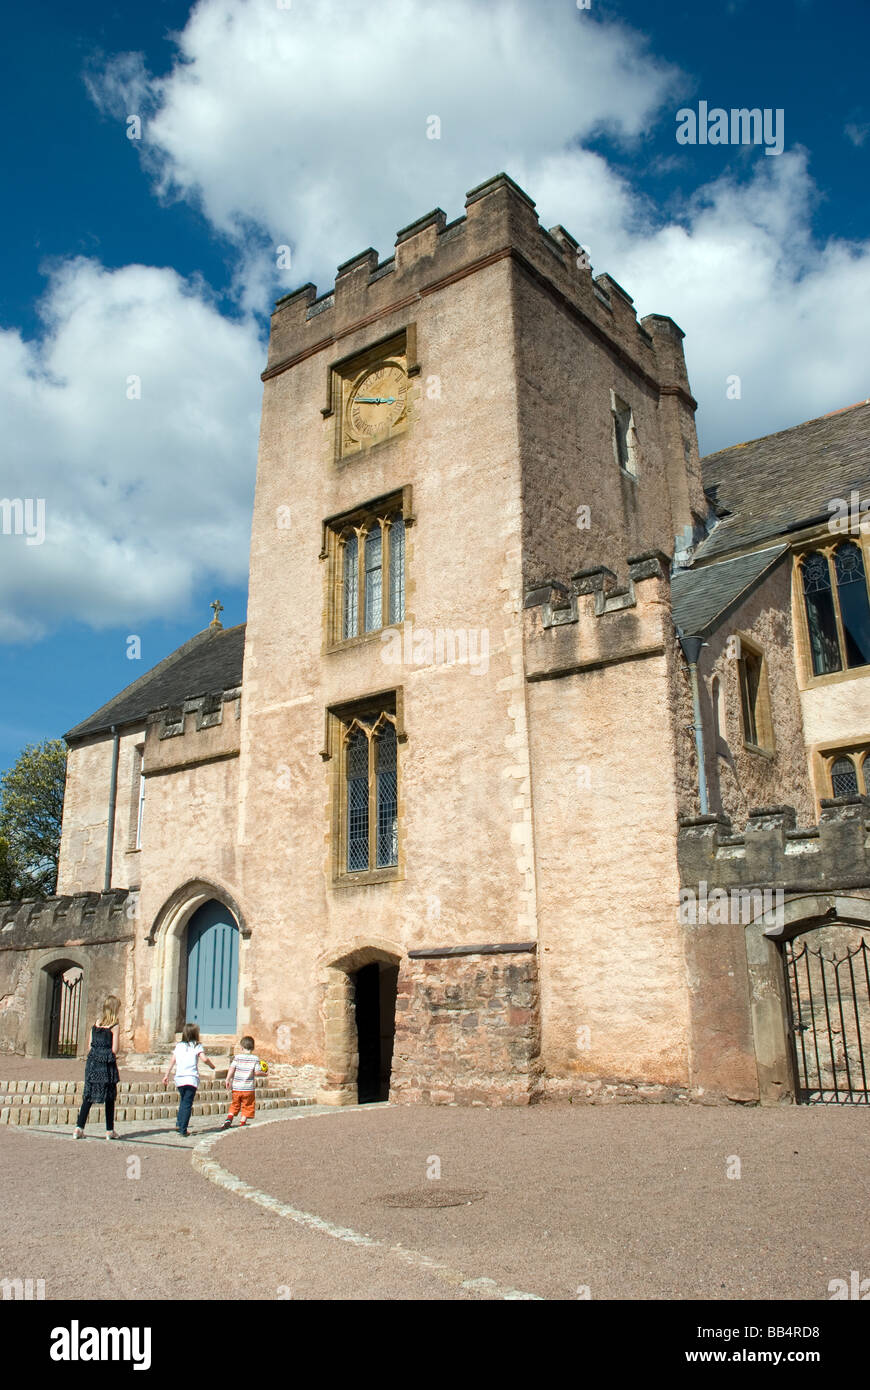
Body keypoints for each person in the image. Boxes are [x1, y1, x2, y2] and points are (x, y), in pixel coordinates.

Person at [73, 995, 121, 1140]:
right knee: (109, 1097)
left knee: (89, 1095)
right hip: (106, 1063)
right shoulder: (115, 1025)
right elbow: (115, 1049)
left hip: (93, 1062)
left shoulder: (96, 1024)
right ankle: (109, 1130)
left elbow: (90, 1045)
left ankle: (78, 1128)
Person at [162, 1023, 216, 1136]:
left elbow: (172, 1060)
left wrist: (166, 1074)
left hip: (180, 1078)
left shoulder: (179, 1046)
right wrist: (212, 1066)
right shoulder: (197, 1046)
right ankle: (183, 1129)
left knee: (183, 1101)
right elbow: (204, 1059)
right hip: (191, 1078)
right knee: (187, 1103)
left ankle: (179, 1123)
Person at [220, 1036, 265, 1129]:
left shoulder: (237, 1057)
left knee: (235, 1104)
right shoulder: (255, 1059)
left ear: (241, 1047)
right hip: (248, 1088)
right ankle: (242, 1122)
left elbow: (232, 1068)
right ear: (253, 1047)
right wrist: (265, 1074)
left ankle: (229, 1118)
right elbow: (256, 1072)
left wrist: (228, 1079)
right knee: (247, 1105)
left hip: (237, 1087)